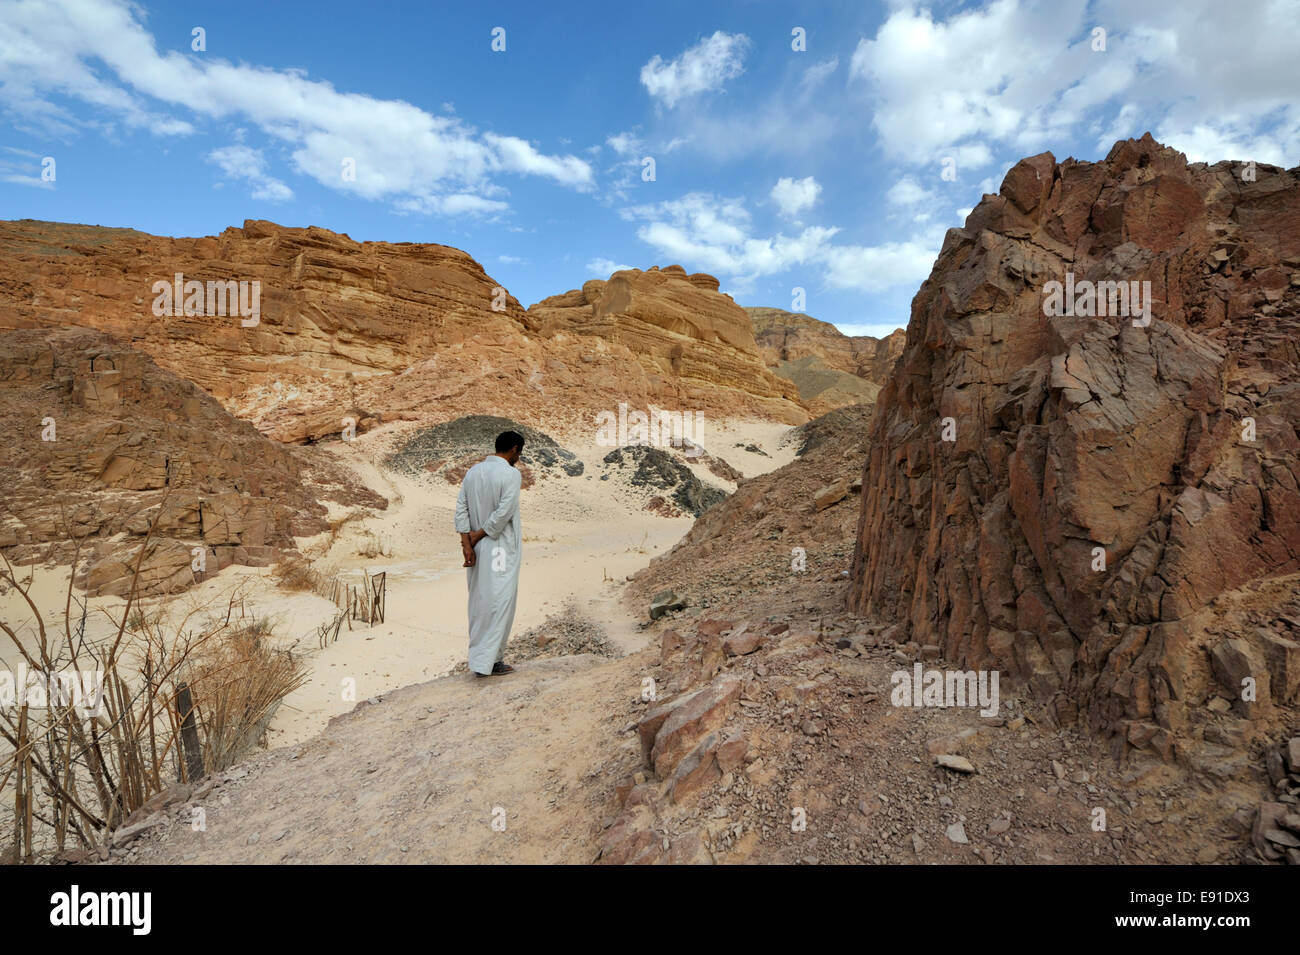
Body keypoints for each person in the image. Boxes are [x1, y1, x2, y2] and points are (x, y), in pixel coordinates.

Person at [454, 430, 524, 677]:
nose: (518, 457)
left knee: (479, 603)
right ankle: (491, 662)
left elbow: (461, 507)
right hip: (498, 547)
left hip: (475, 549)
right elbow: (504, 512)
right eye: (519, 453)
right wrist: (476, 535)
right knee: (499, 602)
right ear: (514, 449)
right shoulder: (511, 474)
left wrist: (466, 542)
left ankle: (480, 660)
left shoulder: (473, 472)